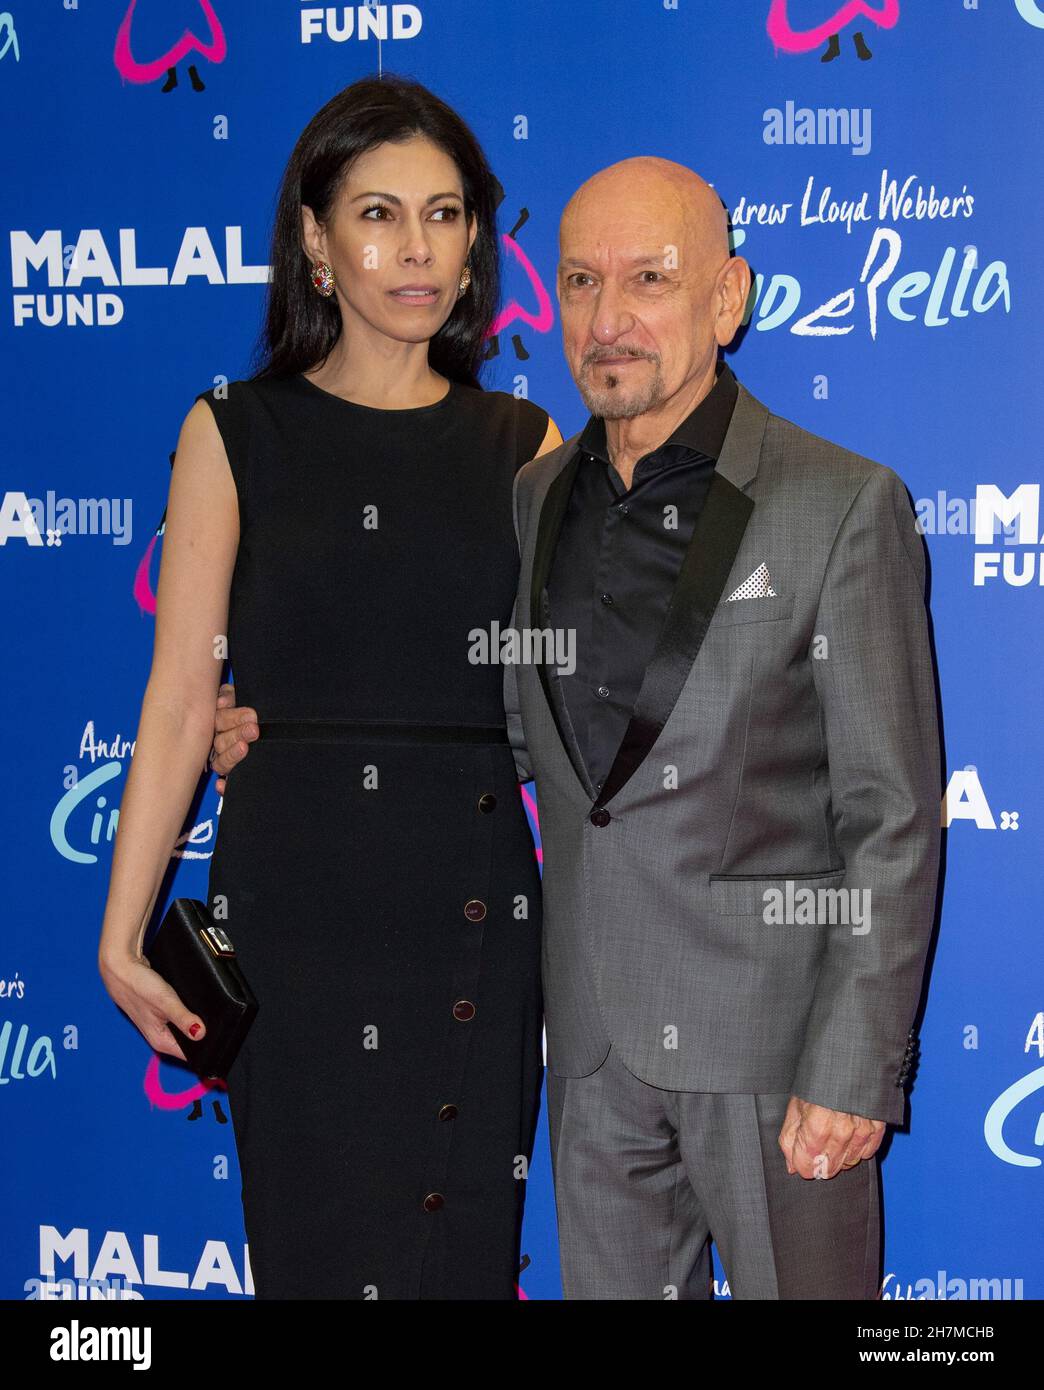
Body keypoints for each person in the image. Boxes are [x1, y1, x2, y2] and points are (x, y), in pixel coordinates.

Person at [215, 154, 942, 1301]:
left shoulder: (841, 504)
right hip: (592, 1059)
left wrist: (854, 1065)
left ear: (727, 298)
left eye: (650, 279)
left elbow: (893, 814)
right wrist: (281, 724)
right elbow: (498, 725)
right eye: (580, 283)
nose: (609, 320)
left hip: (776, 1063)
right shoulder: (535, 494)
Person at [97, 74, 562, 1301]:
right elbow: (179, 699)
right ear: (313, 238)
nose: (417, 247)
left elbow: (578, 701)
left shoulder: (527, 446)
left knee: (458, 1258)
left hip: (469, 908)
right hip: (297, 909)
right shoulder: (233, 431)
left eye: (446, 213)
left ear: (475, 242)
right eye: (377, 213)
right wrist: (121, 927)